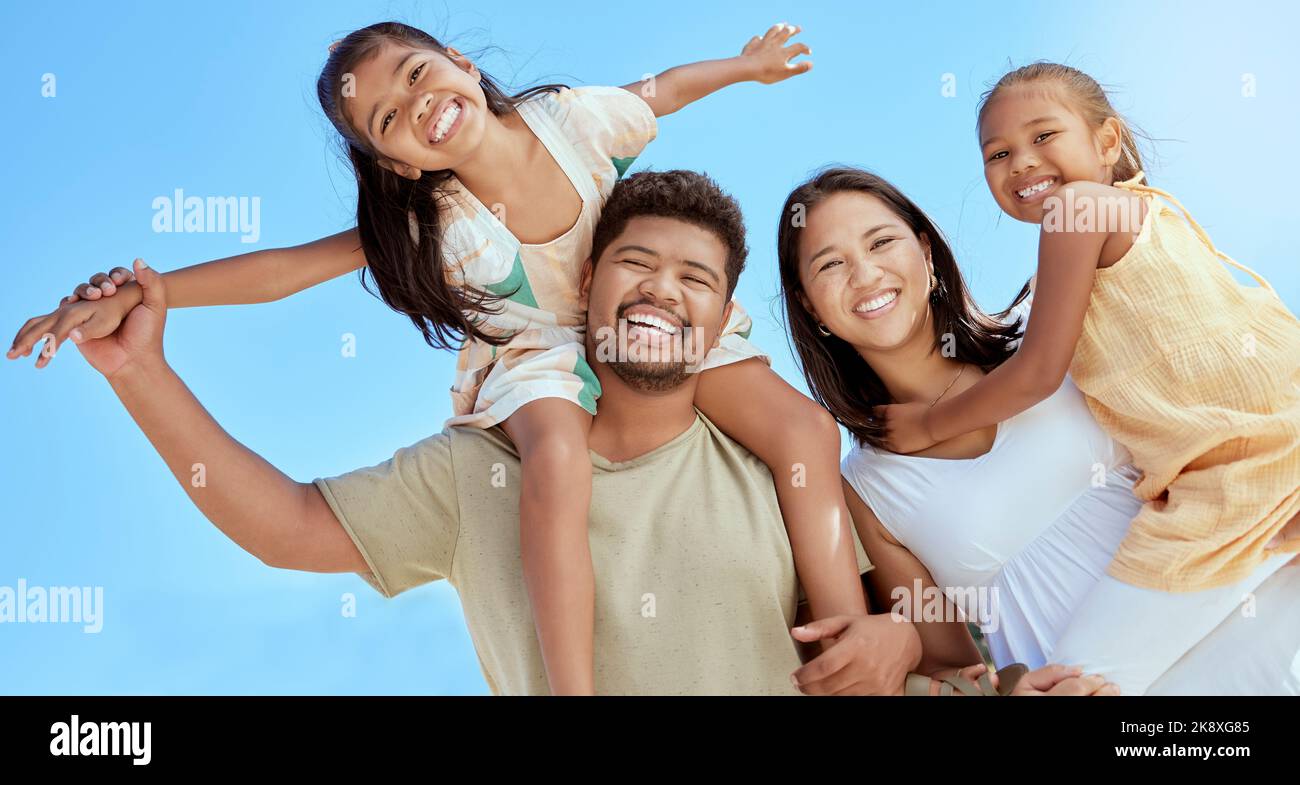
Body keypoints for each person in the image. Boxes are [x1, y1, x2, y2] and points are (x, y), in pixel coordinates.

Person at [6, 20, 869, 696]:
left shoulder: (569, 119)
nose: (417, 104)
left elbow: (662, 90)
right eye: (388, 117)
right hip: (539, 355)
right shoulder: (435, 225)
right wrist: (147, 296)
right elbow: (284, 271)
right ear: (395, 162)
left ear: (459, 61)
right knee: (557, 466)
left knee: (803, 427)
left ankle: (847, 642)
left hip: (648, 330)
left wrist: (744, 66)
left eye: (418, 75)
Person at [778, 165, 1300, 695]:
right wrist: (1015, 690)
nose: (865, 275)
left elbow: (1218, 401)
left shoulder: (1050, 328)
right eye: (831, 264)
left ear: (926, 252)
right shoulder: (865, 488)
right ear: (808, 304)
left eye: (881, 242)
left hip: (1270, 619)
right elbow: (954, 668)